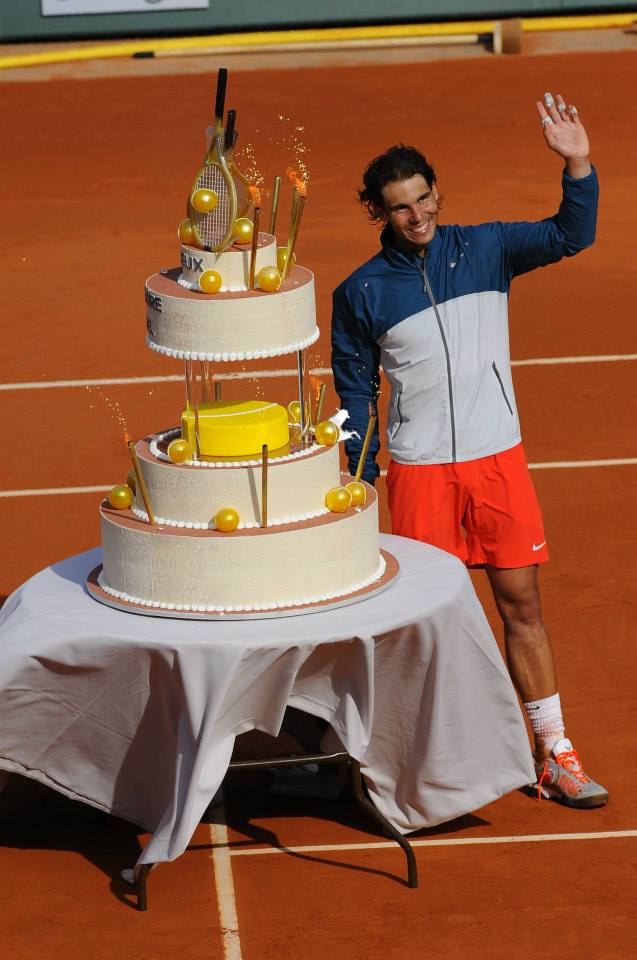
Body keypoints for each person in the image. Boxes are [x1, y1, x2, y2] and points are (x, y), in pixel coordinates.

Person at [331, 92, 608, 808]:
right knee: (423, 625)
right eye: (399, 207)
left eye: (423, 199)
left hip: (496, 461)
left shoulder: (486, 247)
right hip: (420, 472)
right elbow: (354, 392)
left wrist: (576, 164)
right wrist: (356, 471)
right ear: (378, 213)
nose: (416, 215)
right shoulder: (359, 292)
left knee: (521, 605)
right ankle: (408, 762)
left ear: (437, 195)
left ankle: (553, 752)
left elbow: (568, 235)